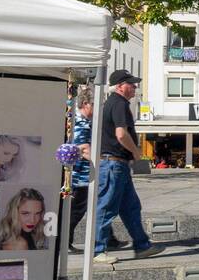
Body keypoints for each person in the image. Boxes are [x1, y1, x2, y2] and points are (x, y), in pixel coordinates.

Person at [92, 70, 162, 264]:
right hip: (113, 164)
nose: (135, 87)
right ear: (120, 86)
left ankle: (142, 246)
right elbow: (121, 134)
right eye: (131, 84)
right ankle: (97, 250)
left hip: (117, 165)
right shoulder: (119, 104)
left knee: (131, 207)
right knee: (105, 207)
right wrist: (137, 152)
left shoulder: (112, 103)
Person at [68, 90, 126, 255]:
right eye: (96, 105)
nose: (99, 108)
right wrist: (103, 161)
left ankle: (110, 239)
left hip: (86, 174)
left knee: (97, 207)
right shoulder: (81, 123)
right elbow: (84, 148)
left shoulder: (85, 121)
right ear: (86, 104)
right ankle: (64, 241)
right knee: (78, 210)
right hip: (82, 176)